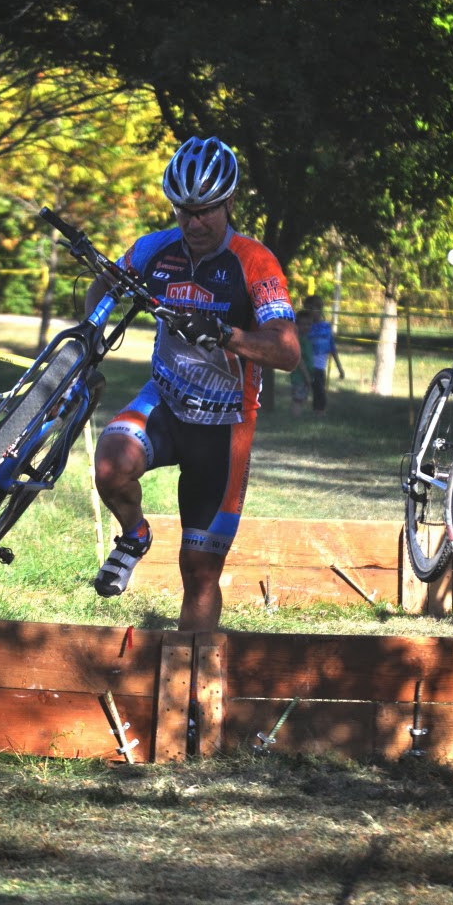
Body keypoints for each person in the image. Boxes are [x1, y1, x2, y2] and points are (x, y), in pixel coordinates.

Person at [85, 135, 300, 633]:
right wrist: (91, 330)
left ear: (227, 203)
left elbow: (287, 350)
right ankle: (134, 536)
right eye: (182, 210)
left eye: (204, 210)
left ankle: (192, 693)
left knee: (199, 571)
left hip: (224, 427)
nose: (193, 222)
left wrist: (229, 335)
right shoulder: (153, 249)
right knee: (109, 466)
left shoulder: (254, 262)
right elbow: (106, 286)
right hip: (165, 399)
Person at [306, 294, 344, 413]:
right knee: (303, 389)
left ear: (319, 309)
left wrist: (339, 367)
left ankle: (319, 411)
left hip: (319, 365)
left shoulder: (326, 327)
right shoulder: (304, 326)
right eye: (307, 309)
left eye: (312, 309)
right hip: (306, 363)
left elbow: (332, 347)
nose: (310, 312)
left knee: (319, 389)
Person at [289, 308, 314, 416]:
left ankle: (297, 414)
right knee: (297, 399)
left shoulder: (306, 339)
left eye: (308, 324)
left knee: (302, 397)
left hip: (306, 375)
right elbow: (299, 360)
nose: (305, 327)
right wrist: (306, 376)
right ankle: (295, 417)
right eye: (302, 324)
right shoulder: (298, 340)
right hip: (300, 375)